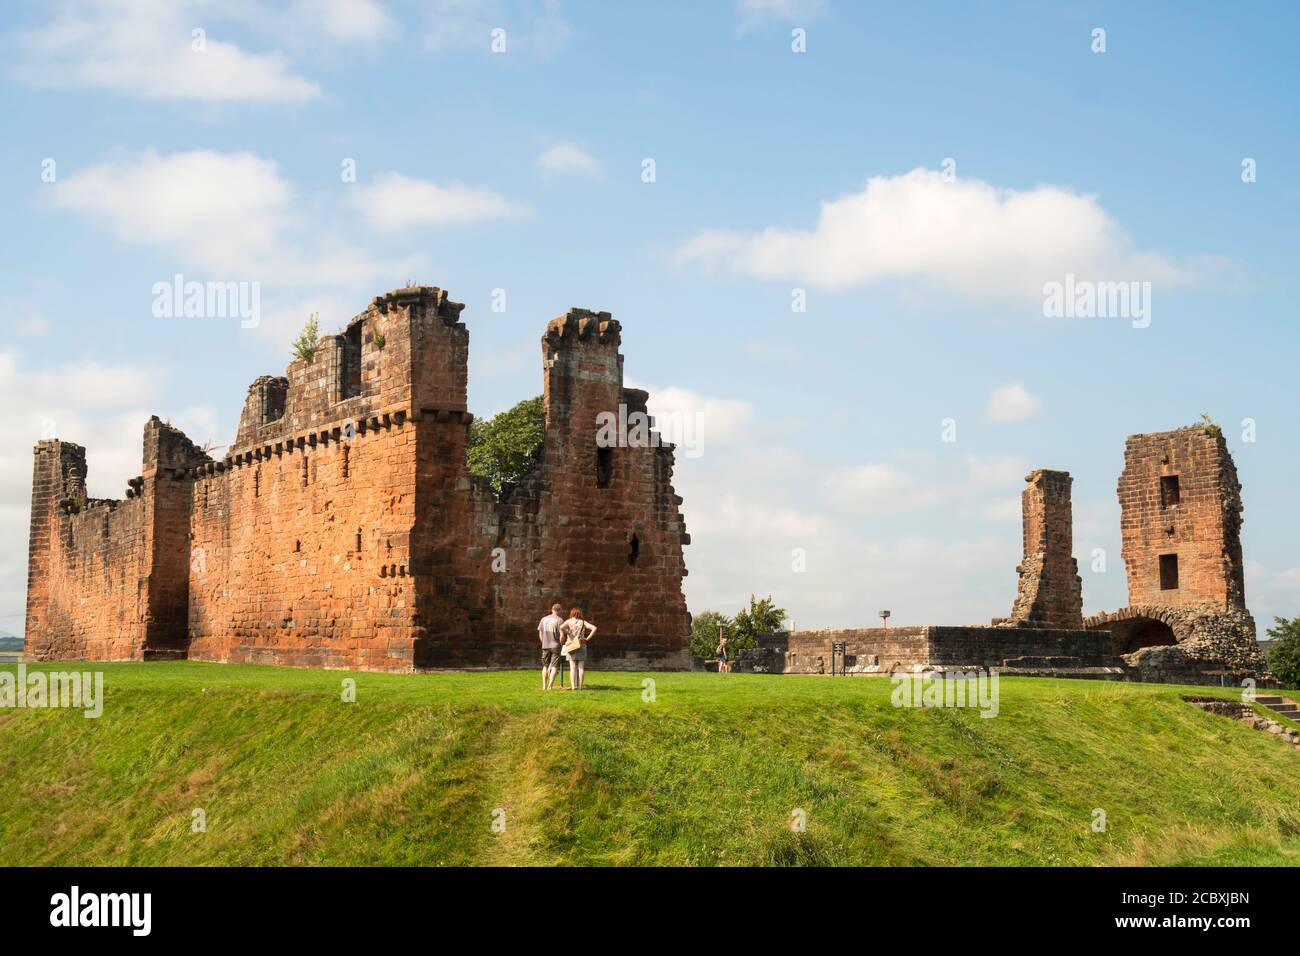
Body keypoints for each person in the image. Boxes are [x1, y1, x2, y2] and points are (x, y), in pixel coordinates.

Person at [559, 607, 596, 690]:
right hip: (581, 644)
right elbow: (594, 628)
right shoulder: (583, 622)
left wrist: (568, 632)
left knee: (572, 668)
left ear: (572, 613)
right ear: (579, 614)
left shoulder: (568, 621)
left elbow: (561, 627)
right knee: (581, 667)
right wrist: (587, 638)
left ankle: (573, 686)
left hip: (571, 644)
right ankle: (580, 686)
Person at [538, 603, 565, 690]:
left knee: (545, 666)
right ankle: (550, 686)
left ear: (552, 609)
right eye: (561, 610)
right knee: (554, 666)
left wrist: (543, 642)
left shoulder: (543, 619)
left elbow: (540, 632)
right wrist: (561, 643)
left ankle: (544, 686)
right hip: (555, 645)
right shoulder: (560, 620)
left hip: (545, 645)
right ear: (559, 610)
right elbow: (561, 635)